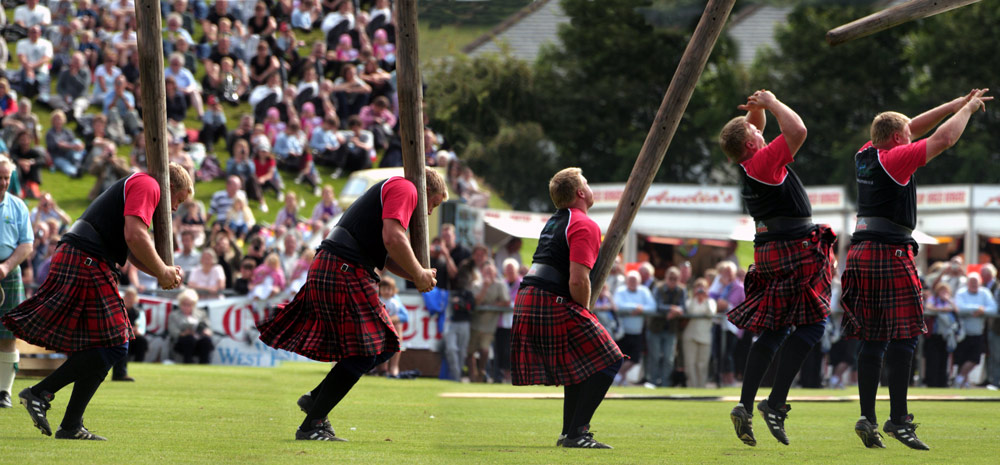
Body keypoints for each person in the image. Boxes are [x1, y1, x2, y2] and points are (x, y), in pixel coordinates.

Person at [840, 89, 991, 451]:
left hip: (861, 250)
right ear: (897, 140)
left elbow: (910, 125)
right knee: (906, 334)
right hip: (889, 251)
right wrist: (967, 109)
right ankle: (899, 419)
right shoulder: (896, 159)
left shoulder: (866, 153)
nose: (912, 137)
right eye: (907, 136)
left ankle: (867, 417)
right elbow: (944, 138)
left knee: (874, 339)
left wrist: (951, 104)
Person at [2, 163, 191, 440]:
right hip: (87, 257)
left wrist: (162, 271)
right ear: (170, 186)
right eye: (179, 200)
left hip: (86, 255)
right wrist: (162, 271)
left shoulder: (139, 186)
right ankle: (38, 393)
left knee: (102, 345)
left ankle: (71, 425)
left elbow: (131, 251)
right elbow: (135, 235)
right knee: (117, 342)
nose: (175, 208)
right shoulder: (149, 185)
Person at [257, 167, 446, 441]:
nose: (429, 212)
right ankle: (312, 424)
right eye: (434, 203)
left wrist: (418, 275)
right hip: (344, 267)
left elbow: (386, 256)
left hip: (339, 265)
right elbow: (393, 238)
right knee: (366, 351)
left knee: (382, 345)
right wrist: (418, 273)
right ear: (426, 190)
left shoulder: (395, 191)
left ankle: (316, 401)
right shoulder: (408, 189)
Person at [718, 89, 835, 447]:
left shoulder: (746, 163)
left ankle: (744, 404)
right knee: (814, 325)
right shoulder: (766, 162)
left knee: (773, 330)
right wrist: (772, 102)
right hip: (794, 247)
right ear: (753, 145)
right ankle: (775, 403)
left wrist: (756, 111)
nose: (761, 132)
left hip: (768, 248)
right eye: (757, 134)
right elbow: (797, 131)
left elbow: (752, 128)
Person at [512, 167, 624, 449]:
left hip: (530, 296)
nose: (589, 186)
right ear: (580, 192)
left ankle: (569, 433)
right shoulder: (585, 224)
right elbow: (578, 278)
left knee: (579, 366)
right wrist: (585, 311)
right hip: (550, 298)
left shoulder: (555, 220)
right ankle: (577, 432)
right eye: (586, 182)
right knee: (610, 359)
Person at [0, 157, 33, 409]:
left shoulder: (18, 206)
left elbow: (26, 244)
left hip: (8, 273)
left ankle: (3, 392)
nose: (2, 183)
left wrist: (5, 266)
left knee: (7, 334)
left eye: (5, 178)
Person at [953, 272, 997, 388]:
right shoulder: (961, 293)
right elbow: (959, 308)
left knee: (974, 359)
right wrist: (978, 308)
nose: (973, 284)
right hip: (962, 332)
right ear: (967, 282)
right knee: (962, 359)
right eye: (971, 282)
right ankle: (963, 381)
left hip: (978, 332)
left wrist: (983, 311)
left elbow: (993, 309)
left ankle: (960, 378)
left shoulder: (985, 293)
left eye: (976, 282)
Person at [468, 261, 509, 383]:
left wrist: (491, 305)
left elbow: (506, 301)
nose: (488, 274)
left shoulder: (500, 285)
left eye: (491, 272)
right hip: (474, 324)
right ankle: (472, 375)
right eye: (486, 272)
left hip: (489, 326)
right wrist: (485, 288)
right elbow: (476, 302)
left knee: (484, 350)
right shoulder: (476, 285)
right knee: (470, 352)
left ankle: (481, 372)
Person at [613, 270, 655, 386]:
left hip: (637, 332)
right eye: (630, 280)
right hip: (622, 332)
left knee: (634, 358)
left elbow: (652, 307)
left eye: (635, 280)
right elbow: (618, 305)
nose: (632, 282)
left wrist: (641, 309)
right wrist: (636, 307)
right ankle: (621, 381)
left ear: (639, 281)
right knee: (622, 358)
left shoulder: (644, 291)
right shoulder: (621, 291)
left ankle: (618, 375)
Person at [647, 266, 685, 387]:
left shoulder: (681, 290)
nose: (673, 281)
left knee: (669, 358)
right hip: (656, 328)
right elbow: (657, 305)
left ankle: (665, 384)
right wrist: (672, 309)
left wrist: (674, 312)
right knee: (655, 356)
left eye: (675, 278)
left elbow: (684, 307)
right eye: (671, 278)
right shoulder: (658, 288)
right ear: (666, 278)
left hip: (671, 329)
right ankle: (653, 382)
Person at [683, 278, 716, 388]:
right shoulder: (689, 301)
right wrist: (695, 298)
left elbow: (711, 312)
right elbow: (690, 310)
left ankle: (701, 387)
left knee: (702, 364)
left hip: (705, 336)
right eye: (698, 286)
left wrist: (705, 299)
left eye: (703, 287)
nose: (700, 289)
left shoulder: (711, 301)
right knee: (690, 363)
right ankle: (692, 387)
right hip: (690, 336)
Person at [168, 288, 214, 363]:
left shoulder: (201, 314)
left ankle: (204, 364)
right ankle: (187, 362)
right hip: (182, 342)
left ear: (194, 305)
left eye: (189, 305)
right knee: (189, 339)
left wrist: (206, 331)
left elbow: (208, 328)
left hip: (199, 340)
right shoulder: (174, 315)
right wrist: (184, 333)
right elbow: (173, 331)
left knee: (206, 341)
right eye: (184, 304)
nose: (186, 307)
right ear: (180, 303)